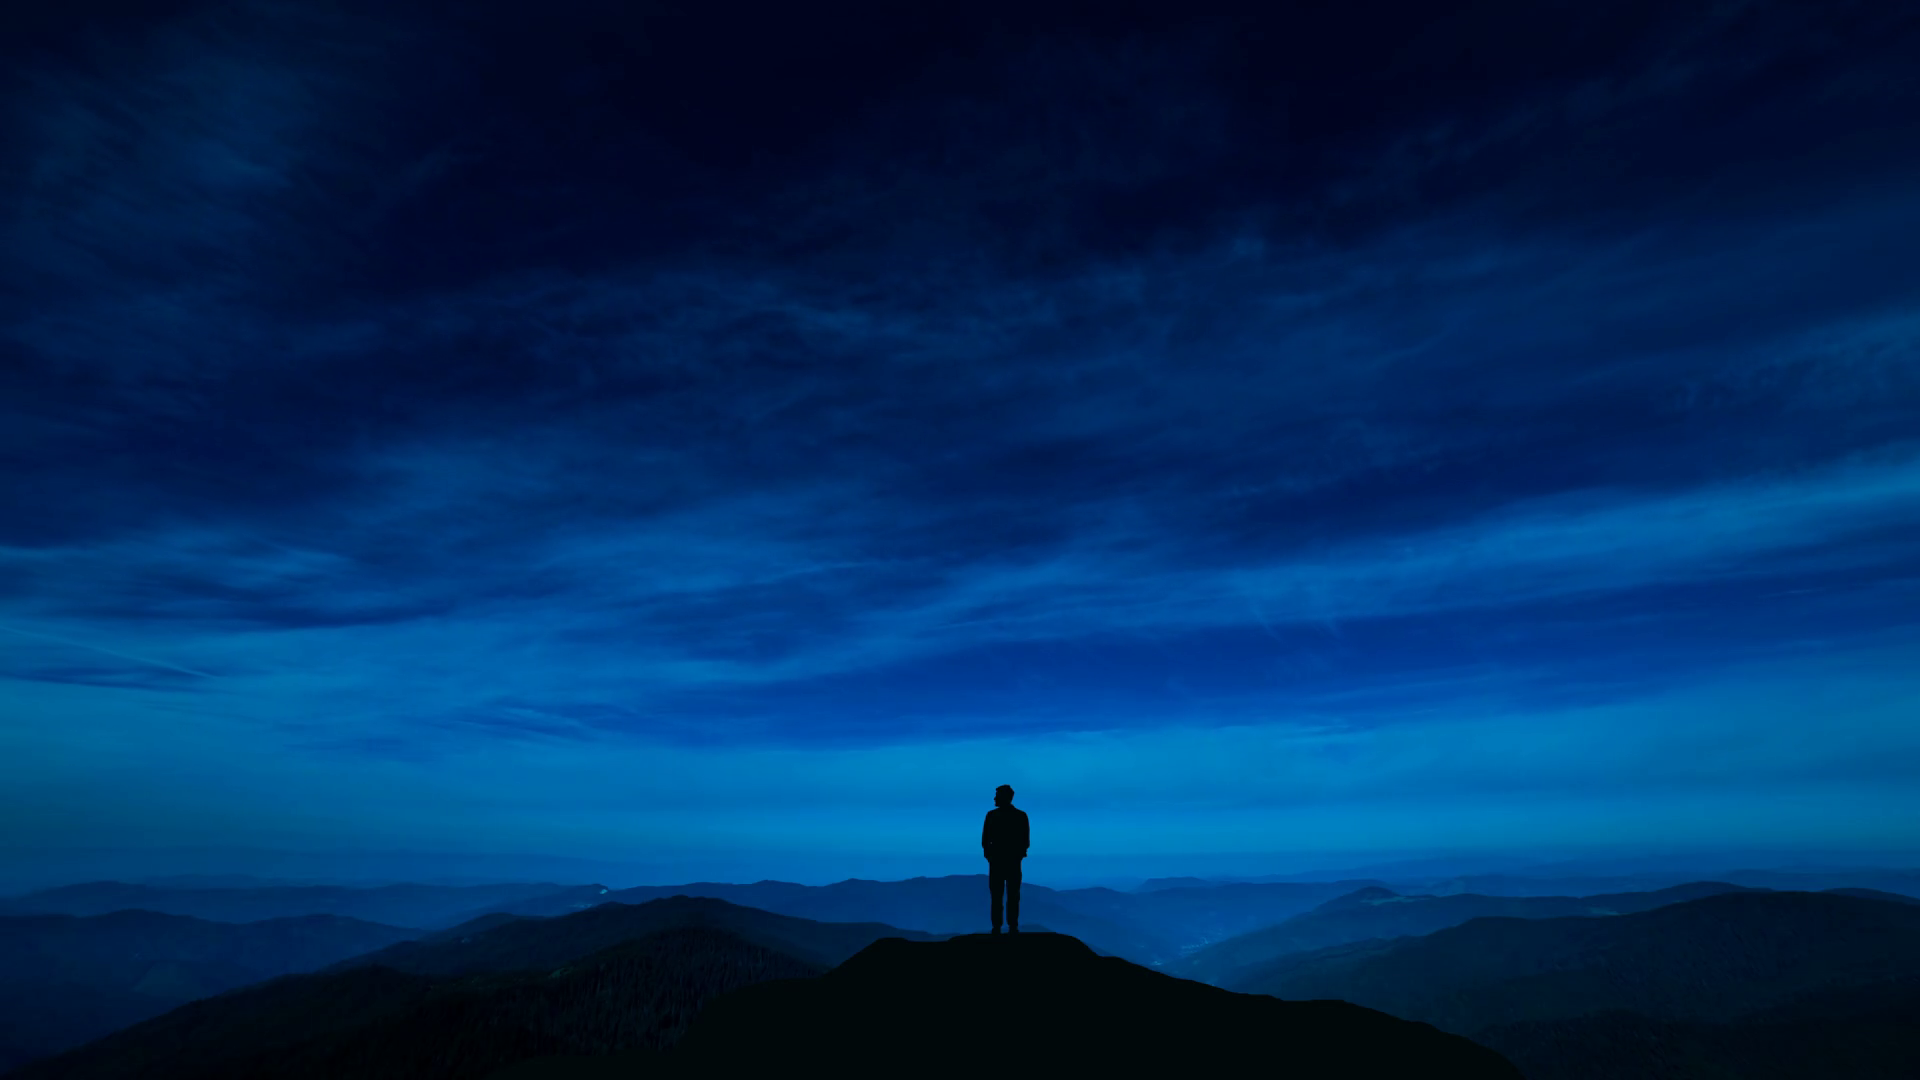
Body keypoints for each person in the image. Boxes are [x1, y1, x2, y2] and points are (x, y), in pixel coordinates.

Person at [981, 783, 1029, 933]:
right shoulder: (1019, 816)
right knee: (1008, 896)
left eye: (997, 795)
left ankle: (1002, 926)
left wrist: (990, 855)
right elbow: (1025, 841)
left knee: (1002, 896)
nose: (994, 798)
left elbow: (1024, 841)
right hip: (1006, 861)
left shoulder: (994, 816)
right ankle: (1008, 926)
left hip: (1003, 862)